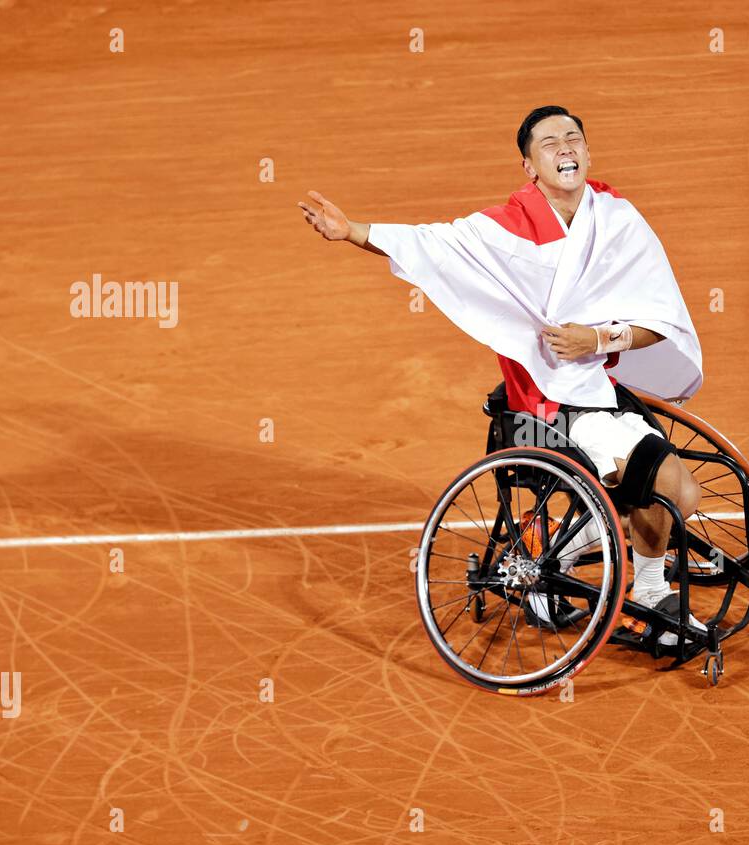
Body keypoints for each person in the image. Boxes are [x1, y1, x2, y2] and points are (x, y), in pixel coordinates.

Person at [298, 105, 705, 648]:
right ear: (529, 166)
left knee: (683, 494)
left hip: (597, 392)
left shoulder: (619, 222)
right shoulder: (505, 230)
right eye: (550, 143)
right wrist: (352, 232)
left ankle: (589, 544)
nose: (565, 148)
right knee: (663, 483)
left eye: (574, 138)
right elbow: (430, 243)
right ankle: (648, 589)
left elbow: (662, 322)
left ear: (587, 152)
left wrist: (601, 340)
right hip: (541, 405)